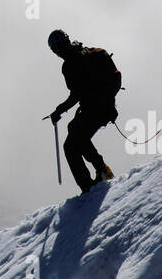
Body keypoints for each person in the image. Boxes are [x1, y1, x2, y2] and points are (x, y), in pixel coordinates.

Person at [46, 30, 118, 193]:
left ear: (57, 48)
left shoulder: (70, 64)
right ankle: (102, 170)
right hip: (106, 107)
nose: (57, 53)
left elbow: (76, 94)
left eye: (55, 49)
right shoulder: (90, 53)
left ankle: (88, 186)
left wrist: (59, 110)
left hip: (93, 109)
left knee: (71, 145)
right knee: (76, 133)